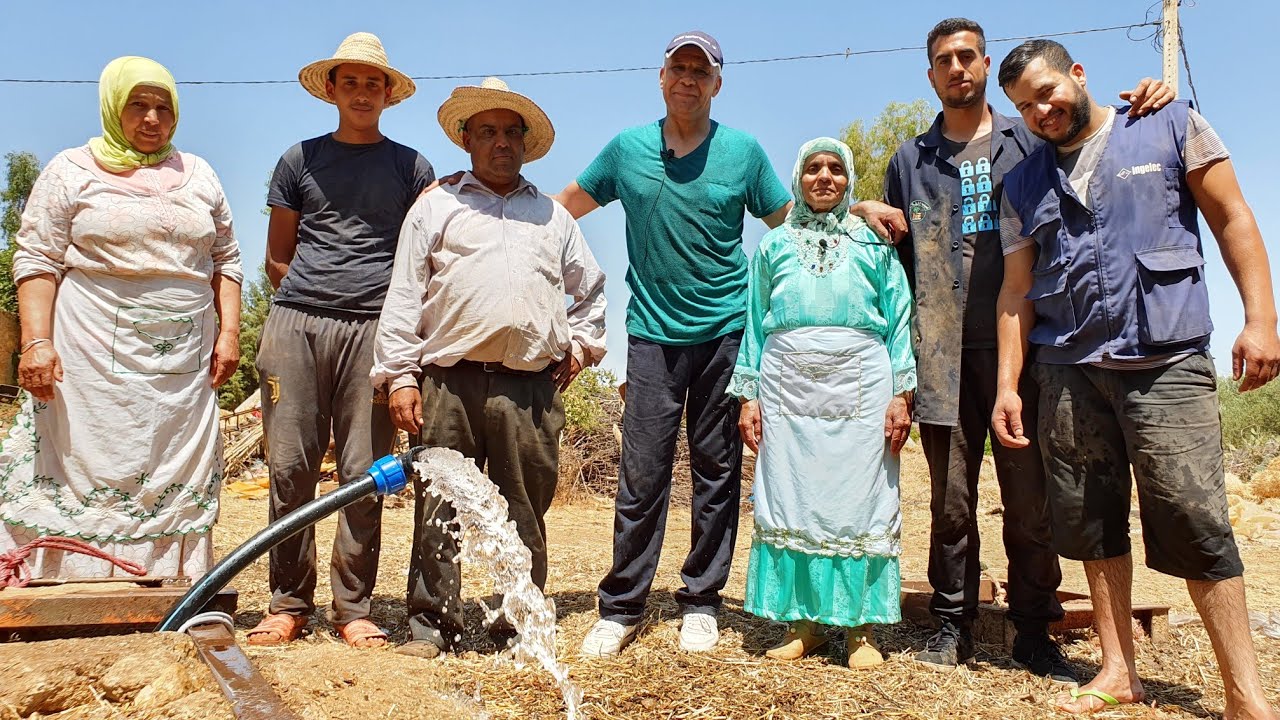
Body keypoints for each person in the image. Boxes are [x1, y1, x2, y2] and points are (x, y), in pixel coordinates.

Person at [559, 30, 904, 658]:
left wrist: (854, 210)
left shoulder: (742, 153)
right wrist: (492, 201)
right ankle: (621, 607)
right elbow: (563, 209)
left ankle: (701, 601)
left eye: (702, 71)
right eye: (679, 68)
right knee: (642, 474)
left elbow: (795, 219)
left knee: (716, 471)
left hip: (725, 332)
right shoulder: (626, 150)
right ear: (661, 77)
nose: (688, 80)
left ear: (717, 84)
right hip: (652, 334)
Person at [993, 39, 1279, 718]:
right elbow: (1015, 291)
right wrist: (1008, 384)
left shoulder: (1168, 124)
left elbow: (1232, 216)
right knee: (1089, 522)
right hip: (1068, 369)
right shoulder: (1023, 184)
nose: (1040, 111)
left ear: (1078, 74)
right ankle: (1118, 671)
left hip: (1165, 363)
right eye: (1024, 106)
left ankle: (1245, 695)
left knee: (1196, 519)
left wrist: (1261, 320)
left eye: (1046, 92)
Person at [883, 17, 1174, 680]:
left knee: (1030, 499)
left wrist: (1150, 99)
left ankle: (1035, 632)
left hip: (1027, 348)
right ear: (931, 75)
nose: (957, 68)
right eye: (944, 60)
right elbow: (896, 256)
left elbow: (1096, 132)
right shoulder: (910, 160)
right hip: (941, 353)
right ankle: (951, 626)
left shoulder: (1032, 138)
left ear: (986, 66)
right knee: (951, 500)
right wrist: (864, 209)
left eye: (967, 56)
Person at [371, 77, 607, 658]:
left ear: (525, 143)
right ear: (466, 140)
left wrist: (581, 347)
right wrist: (401, 375)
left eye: (510, 132)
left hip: (529, 389)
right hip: (447, 383)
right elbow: (405, 294)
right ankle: (432, 627)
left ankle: (517, 627)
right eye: (488, 132)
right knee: (439, 508)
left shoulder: (552, 217)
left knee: (524, 510)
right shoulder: (437, 206)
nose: (501, 142)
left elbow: (591, 292)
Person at [0, 56, 242, 579]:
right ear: (112, 107)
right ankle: (68, 584)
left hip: (184, 364)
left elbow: (227, 260)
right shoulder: (71, 169)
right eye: (138, 105)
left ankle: (171, 585)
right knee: (87, 457)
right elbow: (37, 258)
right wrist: (36, 342)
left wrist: (229, 333)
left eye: (163, 107)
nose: (152, 119)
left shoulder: (200, 174)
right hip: (87, 356)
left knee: (170, 463)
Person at [247, 32, 435, 649]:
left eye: (372, 83)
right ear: (331, 89)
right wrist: (315, 303)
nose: (361, 92)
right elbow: (278, 257)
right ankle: (288, 602)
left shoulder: (411, 168)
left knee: (365, 472)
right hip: (297, 323)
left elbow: (421, 257)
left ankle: (352, 607)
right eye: (349, 81)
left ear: (388, 94)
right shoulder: (299, 160)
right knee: (290, 467)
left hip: (375, 331)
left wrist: (388, 327)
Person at [729, 138, 914, 669]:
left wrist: (901, 394)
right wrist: (749, 397)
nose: (825, 177)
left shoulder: (874, 242)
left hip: (863, 389)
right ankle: (804, 624)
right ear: (798, 178)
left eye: (836, 168)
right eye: (813, 168)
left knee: (861, 500)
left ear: (849, 179)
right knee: (795, 498)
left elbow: (900, 316)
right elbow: (754, 322)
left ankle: (860, 629)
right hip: (786, 391)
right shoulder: (773, 246)